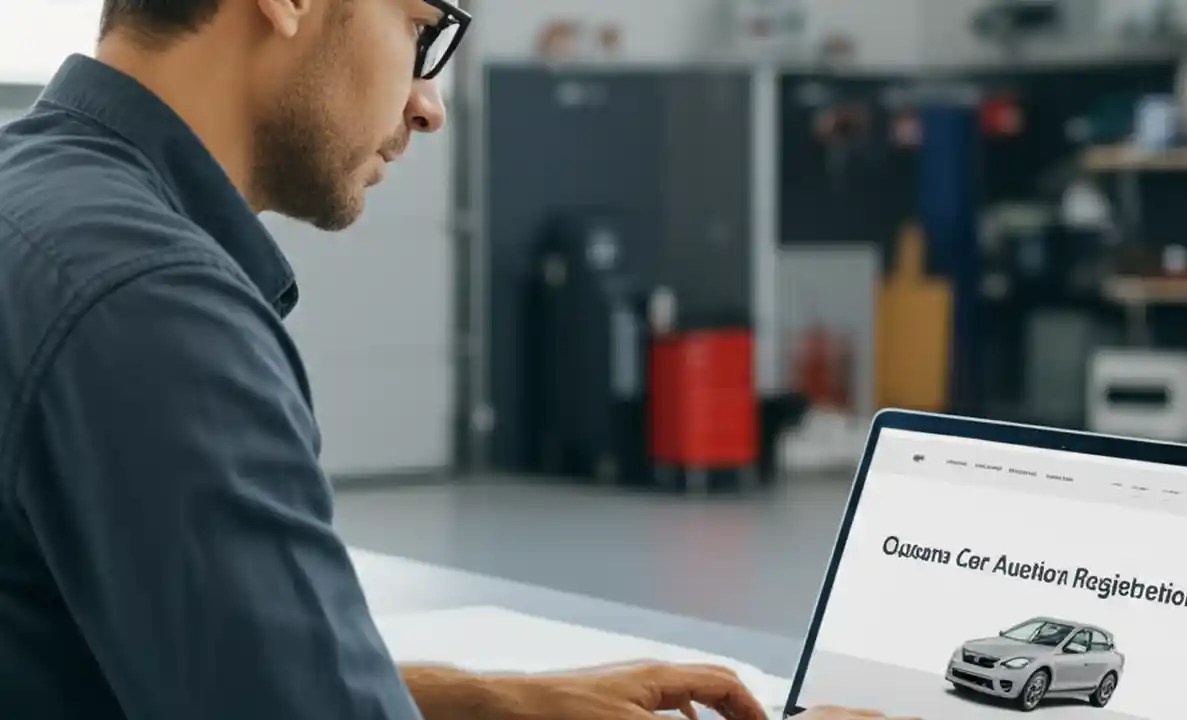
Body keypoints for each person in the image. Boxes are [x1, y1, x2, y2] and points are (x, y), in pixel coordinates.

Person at [0, 2, 915, 719]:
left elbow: (193, 670)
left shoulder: (34, 206)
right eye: (422, 30)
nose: (429, 104)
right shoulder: (152, 305)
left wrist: (497, 701)